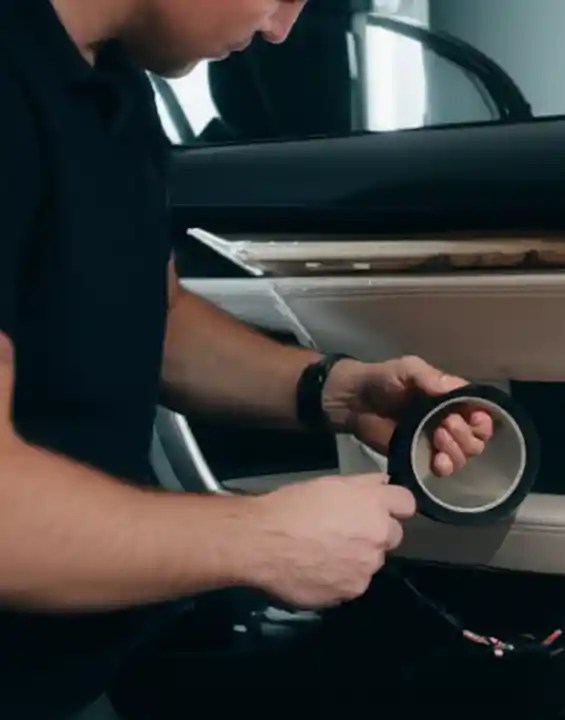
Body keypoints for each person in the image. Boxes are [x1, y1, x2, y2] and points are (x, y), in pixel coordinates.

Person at [0, 0, 493, 716]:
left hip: (75, 668)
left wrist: (337, 392)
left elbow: (151, 313)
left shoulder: (110, 82)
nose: (280, 29)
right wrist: (260, 540)